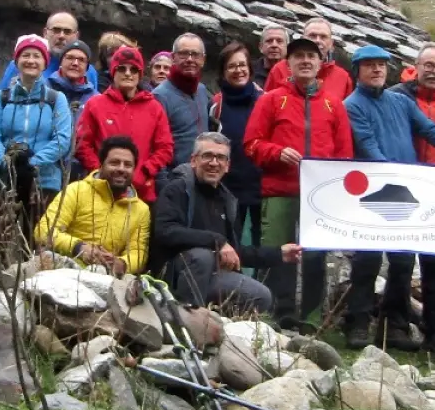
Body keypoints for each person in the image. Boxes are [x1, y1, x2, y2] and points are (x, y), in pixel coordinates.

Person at [343, 44, 435, 350]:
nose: (377, 70)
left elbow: (430, 129)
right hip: (372, 194)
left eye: (381, 65)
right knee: (367, 261)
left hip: (403, 192)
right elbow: (367, 145)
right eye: (369, 66)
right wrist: (394, 174)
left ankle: (393, 328)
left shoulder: (400, 102)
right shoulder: (352, 104)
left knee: (403, 261)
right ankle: (358, 325)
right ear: (358, 71)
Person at [245, 36, 354, 332]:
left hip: (319, 197)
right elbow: (251, 144)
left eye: (311, 56)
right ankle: (274, 314)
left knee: (316, 256)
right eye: (299, 56)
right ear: (288, 64)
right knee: (277, 252)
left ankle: (311, 319)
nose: (305, 60)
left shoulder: (334, 105)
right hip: (279, 189)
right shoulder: (271, 99)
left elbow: (345, 155)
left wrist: (337, 191)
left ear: (321, 63)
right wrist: (276, 152)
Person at [150, 133, 300, 312]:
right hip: (173, 275)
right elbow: (165, 231)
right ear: (193, 160)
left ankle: (222, 327)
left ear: (227, 166)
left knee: (261, 296)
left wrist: (279, 254)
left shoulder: (227, 200)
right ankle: (187, 321)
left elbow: (235, 251)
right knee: (202, 256)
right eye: (207, 156)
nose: (214, 163)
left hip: (213, 276)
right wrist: (217, 241)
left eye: (221, 158)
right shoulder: (176, 189)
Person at [0, 35, 74, 232]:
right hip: (3, 180)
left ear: (45, 62)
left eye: (37, 56)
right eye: (25, 55)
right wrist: (7, 161)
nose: (31, 60)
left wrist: (32, 164)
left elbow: (62, 140)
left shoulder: (57, 99)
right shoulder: (1, 97)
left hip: (44, 181)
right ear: (16, 61)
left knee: (36, 241)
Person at [35, 136, 149, 275]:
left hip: (107, 275)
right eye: (114, 163)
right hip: (64, 267)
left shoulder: (141, 210)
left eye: (127, 165)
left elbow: (138, 252)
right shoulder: (76, 190)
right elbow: (44, 231)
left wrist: (121, 264)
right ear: (101, 165)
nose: (121, 169)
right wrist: (80, 248)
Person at [73, 46, 173, 201]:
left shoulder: (154, 107)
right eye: (122, 68)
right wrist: (101, 172)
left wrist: (145, 171)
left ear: (140, 74)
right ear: (113, 72)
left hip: (141, 192)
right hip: (100, 190)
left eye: (133, 69)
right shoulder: (95, 105)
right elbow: (82, 145)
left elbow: (165, 147)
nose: (128, 73)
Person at [213, 41, 266, 251]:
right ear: (223, 71)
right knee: (231, 245)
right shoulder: (216, 104)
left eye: (242, 65)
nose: (238, 71)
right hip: (228, 188)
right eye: (232, 66)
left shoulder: (266, 101)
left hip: (261, 186)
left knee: (263, 246)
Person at [153, 34, 212, 169]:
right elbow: (154, 146)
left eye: (195, 54)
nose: (190, 59)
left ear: (203, 60)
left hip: (204, 174)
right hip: (175, 178)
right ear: (173, 58)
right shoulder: (159, 96)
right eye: (184, 54)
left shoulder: (202, 91)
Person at [0, 12, 97, 89]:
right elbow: (1, 99)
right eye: (56, 30)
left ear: (76, 36)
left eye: (67, 32)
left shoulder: (87, 71)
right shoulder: (21, 64)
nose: (61, 36)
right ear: (45, 33)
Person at [264, 17, 354, 100]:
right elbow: (266, 105)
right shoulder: (280, 69)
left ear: (331, 44)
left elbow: (345, 114)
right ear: (302, 39)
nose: (318, 40)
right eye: (312, 36)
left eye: (323, 37)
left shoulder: (343, 78)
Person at [48, 40, 98, 121]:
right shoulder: (44, 89)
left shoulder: (95, 100)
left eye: (81, 60)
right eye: (70, 58)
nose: (75, 63)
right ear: (61, 62)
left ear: (87, 67)